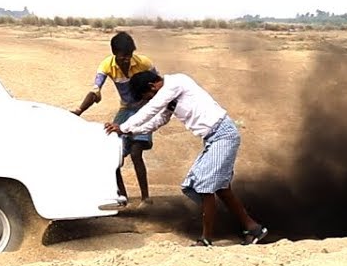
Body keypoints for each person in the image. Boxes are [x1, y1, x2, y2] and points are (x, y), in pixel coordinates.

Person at [106, 69, 269, 247]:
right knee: (220, 189)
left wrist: (123, 127)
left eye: (148, 96)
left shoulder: (175, 83)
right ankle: (253, 228)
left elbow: (151, 110)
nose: (151, 100)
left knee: (204, 185)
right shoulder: (170, 97)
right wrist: (130, 131)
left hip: (223, 135)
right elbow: (157, 120)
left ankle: (206, 238)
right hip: (213, 139)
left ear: (152, 86)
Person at [72, 31, 155, 204]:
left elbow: (159, 84)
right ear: (114, 53)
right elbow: (95, 91)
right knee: (112, 154)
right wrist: (79, 110)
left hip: (144, 110)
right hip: (125, 109)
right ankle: (121, 197)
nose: (127, 60)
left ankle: (146, 199)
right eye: (123, 56)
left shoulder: (144, 63)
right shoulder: (106, 66)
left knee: (135, 152)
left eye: (130, 56)